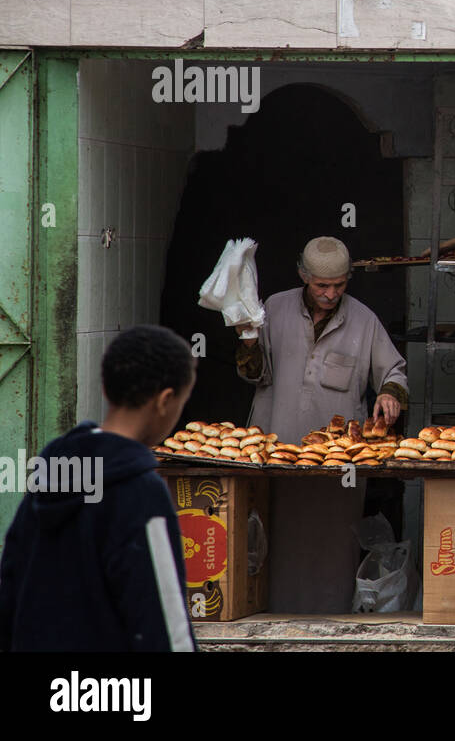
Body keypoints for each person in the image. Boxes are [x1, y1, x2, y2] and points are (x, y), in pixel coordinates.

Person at [234, 236, 409, 613]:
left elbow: (393, 369)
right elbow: (253, 375)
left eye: (340, 285)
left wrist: (390, 394)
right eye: (321, 286)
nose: (331, 294)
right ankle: (269, 624)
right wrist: (247, 342)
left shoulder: (364, 320)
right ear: (303, 276)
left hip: (337, 468)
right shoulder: (274, 310)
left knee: (330, 548)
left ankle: (331, 626)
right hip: (275, 457)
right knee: (271, 541)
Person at [0, 326, 197, 651]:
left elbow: (9, 588)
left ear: (105, 389)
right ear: (166, 401)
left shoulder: (50, 472)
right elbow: (165, 626)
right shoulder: (141, 491)